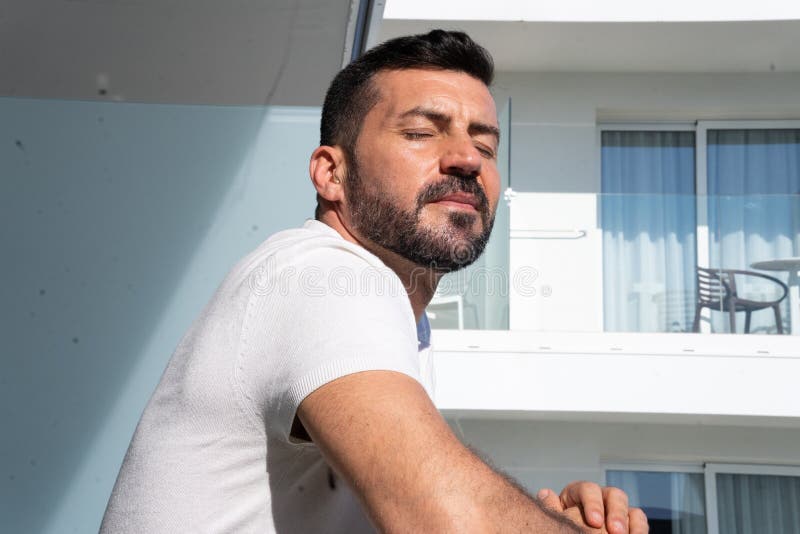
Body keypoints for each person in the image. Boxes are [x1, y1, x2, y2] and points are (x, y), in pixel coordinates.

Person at [101, 30, 648, 533]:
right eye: (421, 133)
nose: (467, 159)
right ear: (331, 174)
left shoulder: (403, 324)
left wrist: (550, 522)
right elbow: (449, 522)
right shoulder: (323, 276)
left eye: (485, 146)